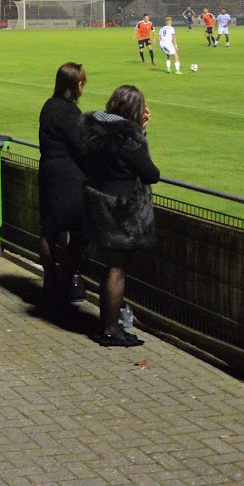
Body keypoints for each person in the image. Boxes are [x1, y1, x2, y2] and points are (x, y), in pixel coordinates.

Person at [78, 84, 160, 348]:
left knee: (110, 268)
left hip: (99, 206)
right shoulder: (129, 138)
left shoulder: (93, 129)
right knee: (116, 270)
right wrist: (142, 132)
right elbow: (151, 173)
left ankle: (107, 326)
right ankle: (111, 331)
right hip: (121, 211)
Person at [36, 63, 88, 316]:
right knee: (79, 234)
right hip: (68, 179)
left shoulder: (48, 105)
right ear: (76, 85)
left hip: (48, 174)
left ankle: (50, 281)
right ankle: (61, 285)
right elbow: (82, 146)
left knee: (49, 230)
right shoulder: (70, 112)